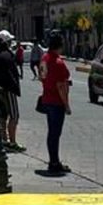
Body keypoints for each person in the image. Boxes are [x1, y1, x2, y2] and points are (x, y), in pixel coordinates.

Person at [0, 30, 25, 151]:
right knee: (14, 115)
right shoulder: (7, 55)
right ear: (6, 42)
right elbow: (12, 74)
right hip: (8, 89)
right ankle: (12, 142)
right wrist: (14, 88)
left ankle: (4, 139)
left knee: (3, 115)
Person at [39, 32, 71, 175]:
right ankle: (54, 162)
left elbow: (42, 76)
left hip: (46, 99)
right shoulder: (58, 63)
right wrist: (66, 104)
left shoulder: (44, 59)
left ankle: (53, 160)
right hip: (56, 102)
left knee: (51, 132)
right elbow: (61, 86)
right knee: (55, 133)